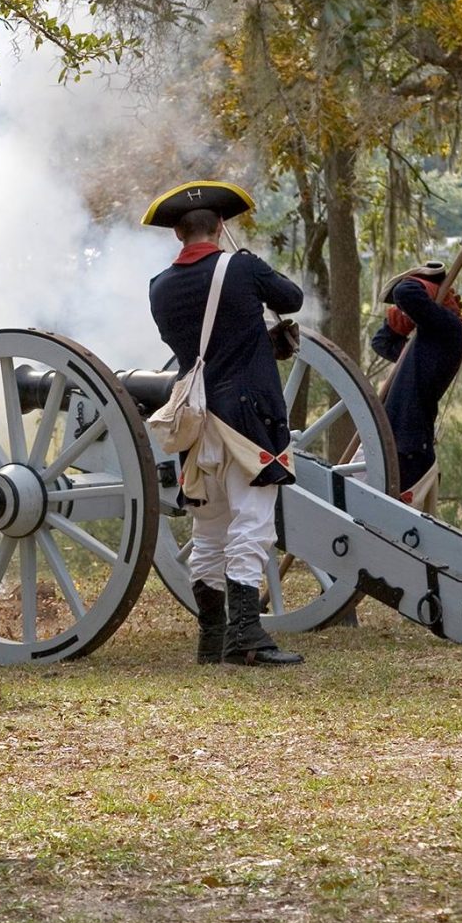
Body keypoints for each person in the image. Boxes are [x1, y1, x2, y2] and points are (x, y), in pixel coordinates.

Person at [144, 181, 306, 666]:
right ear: (219, 227)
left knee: (210, 527)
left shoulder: (160, 287)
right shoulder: (240, 266)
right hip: (248, 414)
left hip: (197, 420)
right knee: (253, 522)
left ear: (177, 233)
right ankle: (247, 637)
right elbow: (291, 297)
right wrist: (250, 265)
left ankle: (212, 639)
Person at [368, 261, 462, 510]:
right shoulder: (426, 341)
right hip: (396, 435)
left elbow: (405, 293)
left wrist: (428, 282)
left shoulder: (450, 330)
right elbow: (382, 342)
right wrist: (401, 320)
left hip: (409, 441)